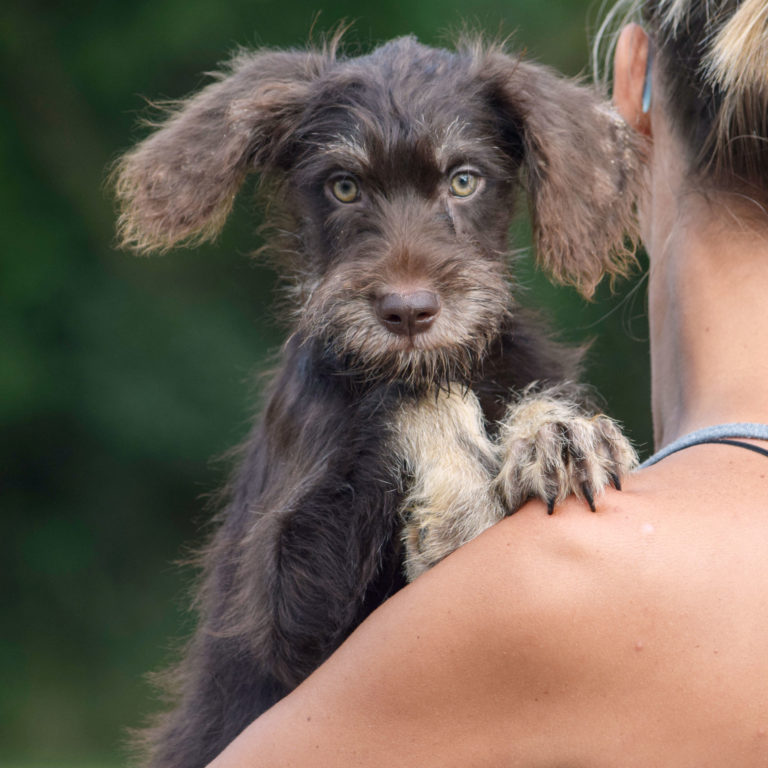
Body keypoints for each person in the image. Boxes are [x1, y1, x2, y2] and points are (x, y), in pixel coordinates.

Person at [208, 1, 768, 764]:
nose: (407, 281)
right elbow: (293, 631)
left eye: (463, 181)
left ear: (631, 80)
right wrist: (419, 431)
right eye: (344, 191)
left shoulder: (560, 573)